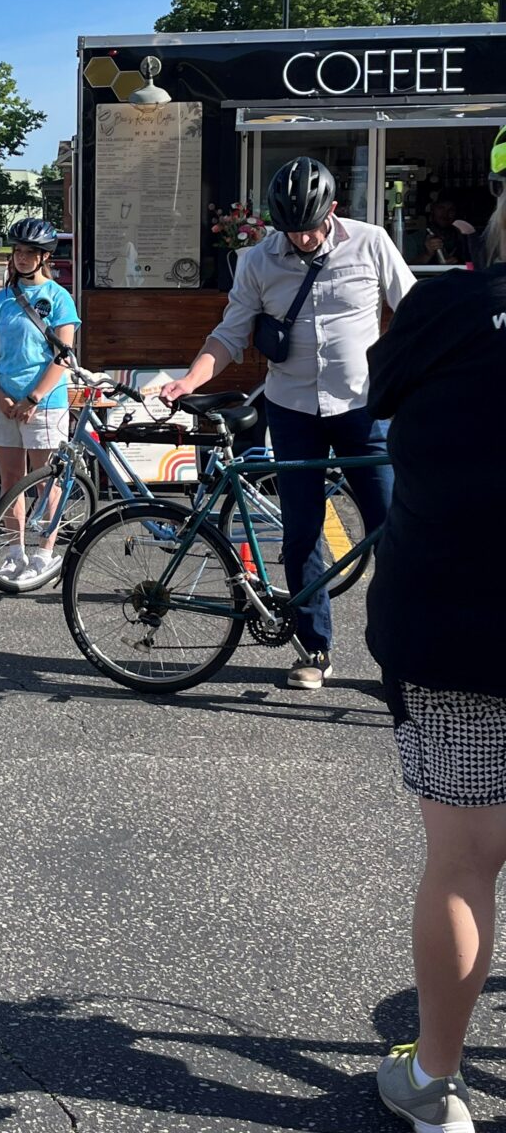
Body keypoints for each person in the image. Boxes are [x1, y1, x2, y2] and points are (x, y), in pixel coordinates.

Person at [364, 133, 506, 1133]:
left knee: (463, 862)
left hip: (457, 629)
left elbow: (385, 397)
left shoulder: (446, 309)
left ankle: (436, 1085)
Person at [161, 157, 414, 689]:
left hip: (363, 409)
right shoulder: (257, 260)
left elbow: (413, 312)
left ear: (333, 210)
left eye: (311, 227)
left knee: (394, 530)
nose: (302, 238)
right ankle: (314, 650)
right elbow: (229, 334)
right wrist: (189, 380)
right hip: (293, 410)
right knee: (301, 533)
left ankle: (401, 653)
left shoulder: (370, 243)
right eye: (291, 229)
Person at [0, 217, 80, 585]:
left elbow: (63, 355)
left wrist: (34, 397)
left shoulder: (58, 297)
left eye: (30, 252)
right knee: (10, 480)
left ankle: (45, 551)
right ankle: (13, 551)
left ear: (44, 257)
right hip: (5, 401)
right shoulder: (1, 299)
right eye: (18, 251)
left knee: (45, 480)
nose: (22, 258)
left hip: (46, 401)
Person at [405, 196, 476, 267]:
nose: (446, 214)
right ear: (432, 210)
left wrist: (459, 263)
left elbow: (475, 265)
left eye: (451, 210)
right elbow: (404, 268)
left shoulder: (464, 238)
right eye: (441, 208)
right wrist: (427, 255)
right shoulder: (414, 239)